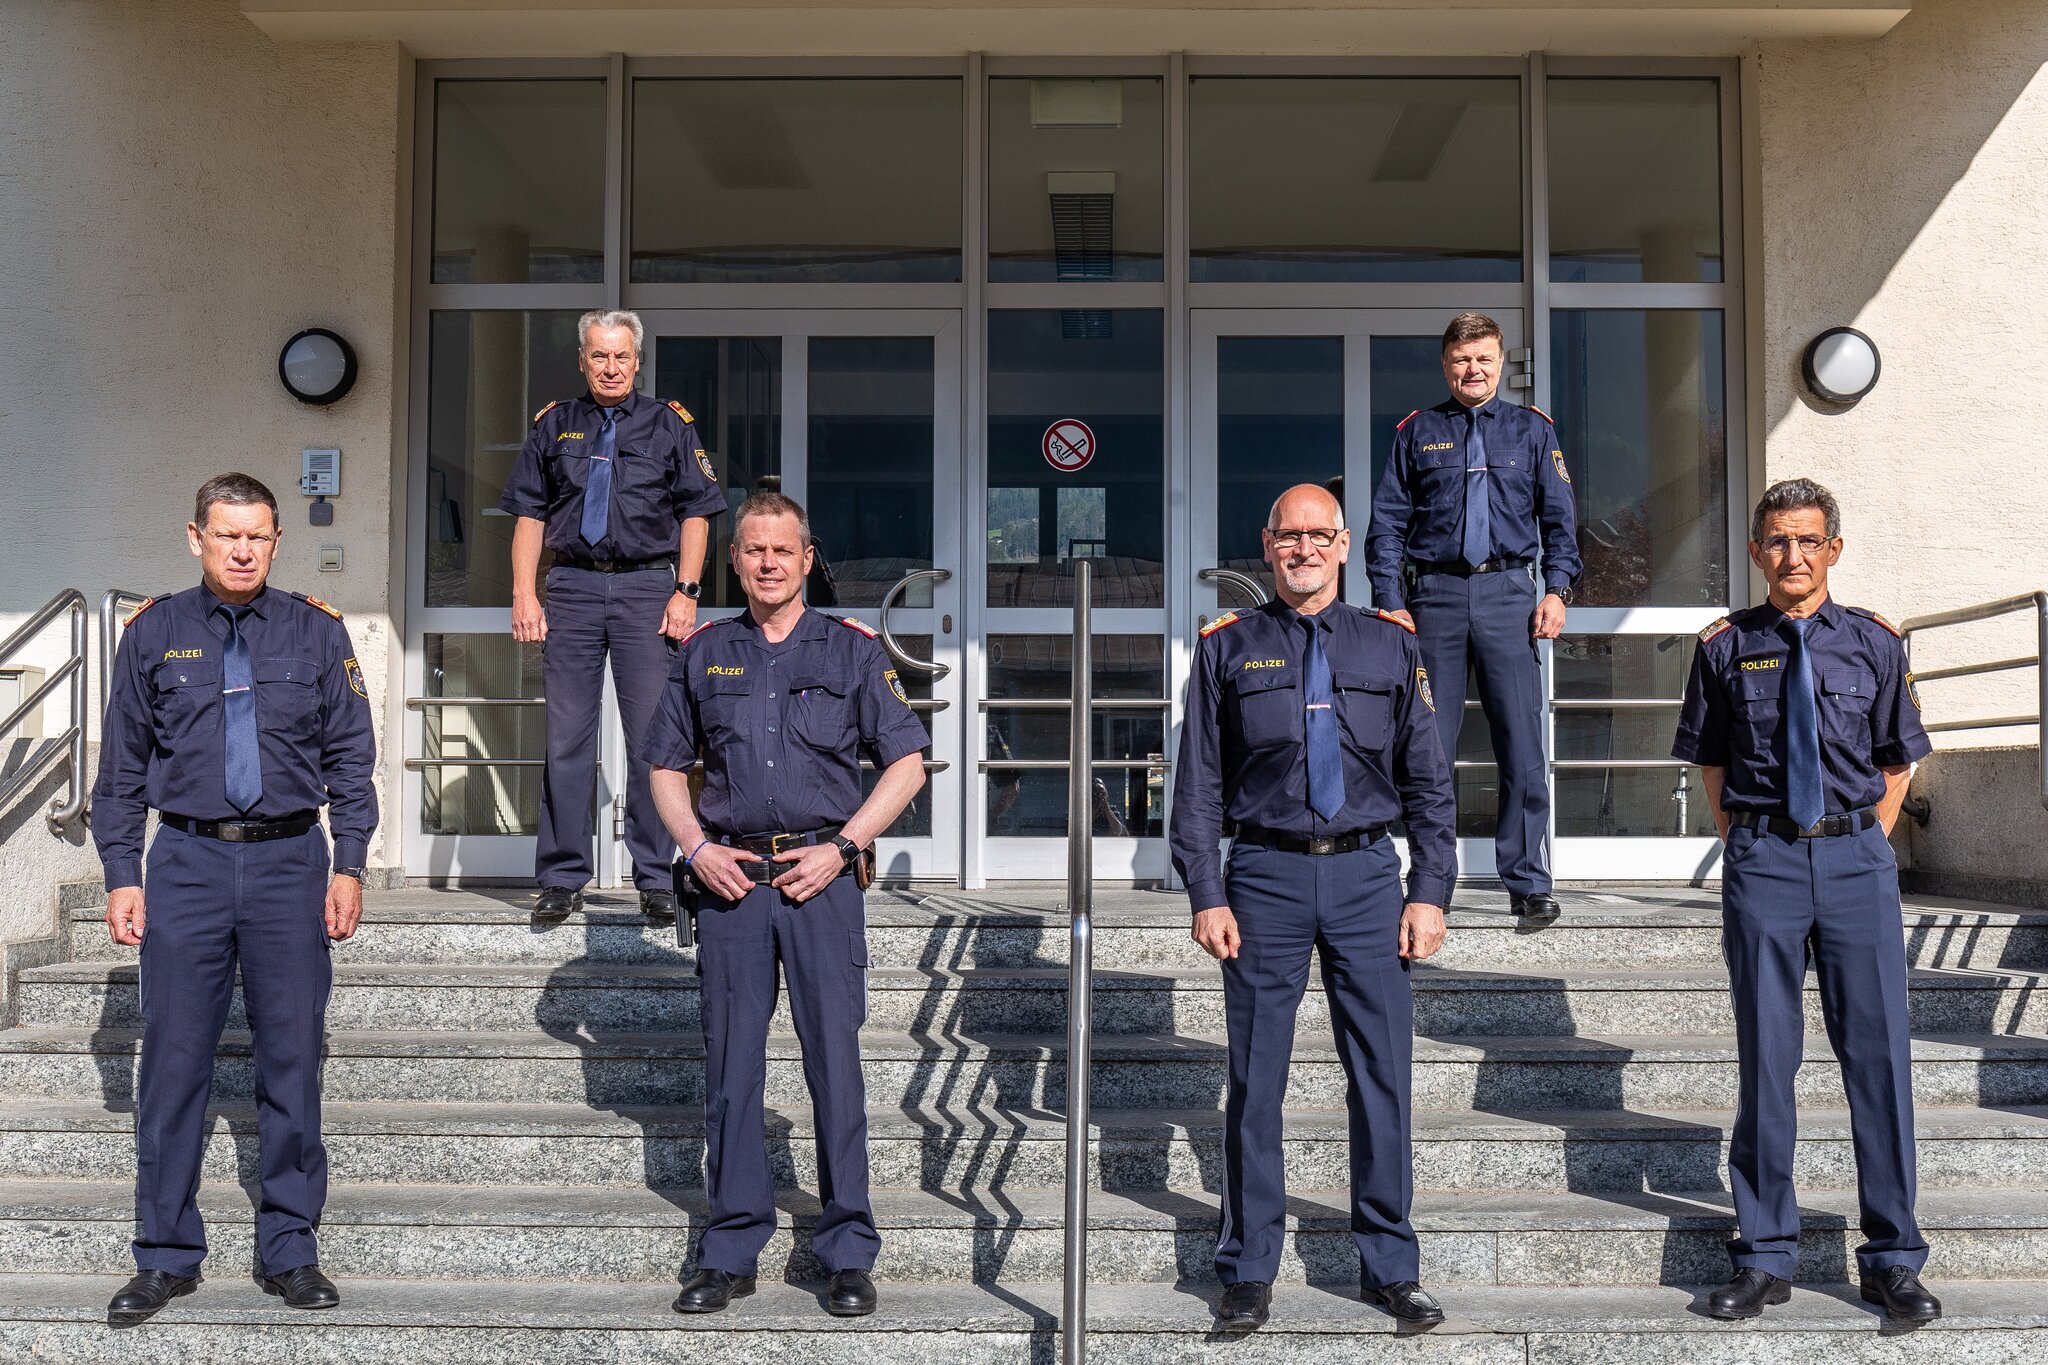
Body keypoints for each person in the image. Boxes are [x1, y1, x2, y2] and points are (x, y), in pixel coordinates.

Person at [1171, 483, 1458, 1332]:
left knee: (1381, 1076)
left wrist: (1430, 889)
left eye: (1318, 535)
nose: (1302, 548)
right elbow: (1197, 787)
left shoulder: (1388, 645)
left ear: (1342, 545)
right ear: (1268, 546)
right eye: (1287, 535)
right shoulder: (1228, 648)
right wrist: (1206, 890)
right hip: (1263, 875)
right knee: (1257, 1078)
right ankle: (1249, 1266)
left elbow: (1430, 783)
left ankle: (1390, 1265)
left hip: (1369, 875)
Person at [93, 473, 377, 1320]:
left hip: (292, 862)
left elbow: (351, 764)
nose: (243, 549)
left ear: (277, 539)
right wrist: (122, 873)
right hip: (186, 862)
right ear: (195, 537)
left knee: (291, 1059)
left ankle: (290, 1250)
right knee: (174, 1066)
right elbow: (119, 776)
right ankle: (165, 1254)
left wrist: (350, 864)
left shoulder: (318, 633)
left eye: (257, 535)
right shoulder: (152, 634)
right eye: (227, 535)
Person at [645, 491, 929, 1318]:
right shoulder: (704, 652)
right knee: (732, 1073)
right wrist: (695, 847)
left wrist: (844, 846)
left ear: (808, 558)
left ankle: (846, 1249)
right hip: (734, 889)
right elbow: (665, 764)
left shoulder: (850, 653)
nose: (768, 562)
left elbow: (907, 762)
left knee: (834, 1069)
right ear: (733, 561)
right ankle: (729, 1247)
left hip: (822, 886)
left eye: (783, 550)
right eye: (753, 550)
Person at [1673, 478, 1940, 1324]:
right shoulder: (1722, 646)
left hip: (1858, 862)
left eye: (1809, 540)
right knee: (1767, 1059)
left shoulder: (1873, 643)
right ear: (1757, 552)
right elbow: (1712, 762)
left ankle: (1893, 1257)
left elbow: (1899, 760)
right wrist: (1755, 838)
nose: (1793, 555)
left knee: (1880, 1061)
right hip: (1765, 862)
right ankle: (1764, 1253)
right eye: (1777, 541)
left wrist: (1860, 837)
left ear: (1834, 549)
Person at [500, 308, 726, 924]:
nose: (610, 366)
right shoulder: (556, 425)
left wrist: (687, 591)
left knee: (652, 739)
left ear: (637, 360)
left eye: (620, 356)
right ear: (582, 359)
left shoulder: (668, 424)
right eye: (598, 356)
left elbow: (696, 515)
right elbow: (529, 516)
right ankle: (562, 877)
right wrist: (526, 592)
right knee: (566, 737)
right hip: (571, 585)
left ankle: (654, 876)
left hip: (648, 590)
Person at [1365, 312, 1579, 924]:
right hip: (1433, 600)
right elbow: (1386, 528)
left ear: (1502, 361)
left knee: (1521, 744)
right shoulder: (1417, 431)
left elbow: (1561, 524)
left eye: (1484, 358)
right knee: (1428, 745)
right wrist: (1391, 601)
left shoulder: (1532, 432)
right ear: (1445, 365)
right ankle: (1431, 880)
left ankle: (1529, 881)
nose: (1473, 370)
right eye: (1461, 360)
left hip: (1510, 596)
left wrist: (1558, 590)